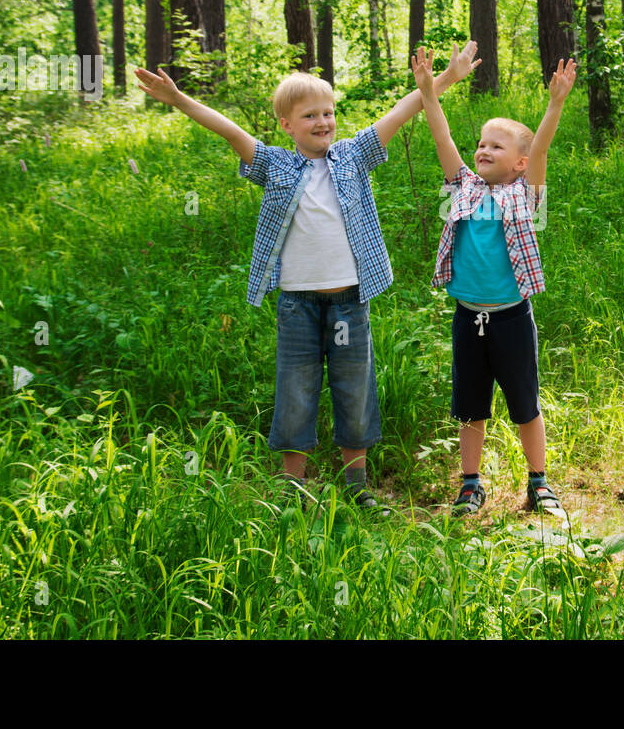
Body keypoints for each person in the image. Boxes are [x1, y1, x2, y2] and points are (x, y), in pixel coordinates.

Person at [134, 44, 479, 511]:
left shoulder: (354, 156)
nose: (323, 122)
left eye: (328, 112)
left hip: (349, 302)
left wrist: (446, 80)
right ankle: (292, 490)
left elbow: (403, 110)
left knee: (354, 390)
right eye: (310, 115)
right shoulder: (276, 165)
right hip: (297, 305)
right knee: (295, 392)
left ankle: (356, 487)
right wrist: (181, 101)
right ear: (286, 125)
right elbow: (229, 131)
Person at [410, 47, 576, 516]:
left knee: (525, 402)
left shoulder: (527, 194)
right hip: (468, 318)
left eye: (496, 146)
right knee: (470, 407)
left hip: (511, 319)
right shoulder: (461, 185)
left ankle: (539, 483)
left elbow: (541, 146)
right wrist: (429, 93)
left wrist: (556, 104)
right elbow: (442, 139)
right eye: (482, 143)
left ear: (520, 163)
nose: (483, 150)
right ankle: (469, 483)